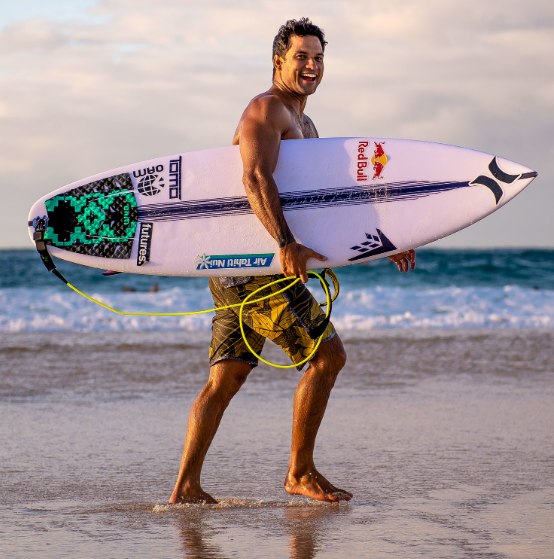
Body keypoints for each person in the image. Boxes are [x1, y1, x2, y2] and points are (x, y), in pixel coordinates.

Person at [169, 18, 416, 505]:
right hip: (257, 267)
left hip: (237, 269)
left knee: (226, 378)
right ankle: (299, 473)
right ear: (278, 61)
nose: (311, 66)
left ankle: (187, 487)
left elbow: (325, 203)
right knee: (328, 357)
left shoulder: (305, 125)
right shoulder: (265, 110)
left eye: (318, 58)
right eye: (301, 56)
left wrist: (383, 241)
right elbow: (255, 177)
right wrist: (286, 243)